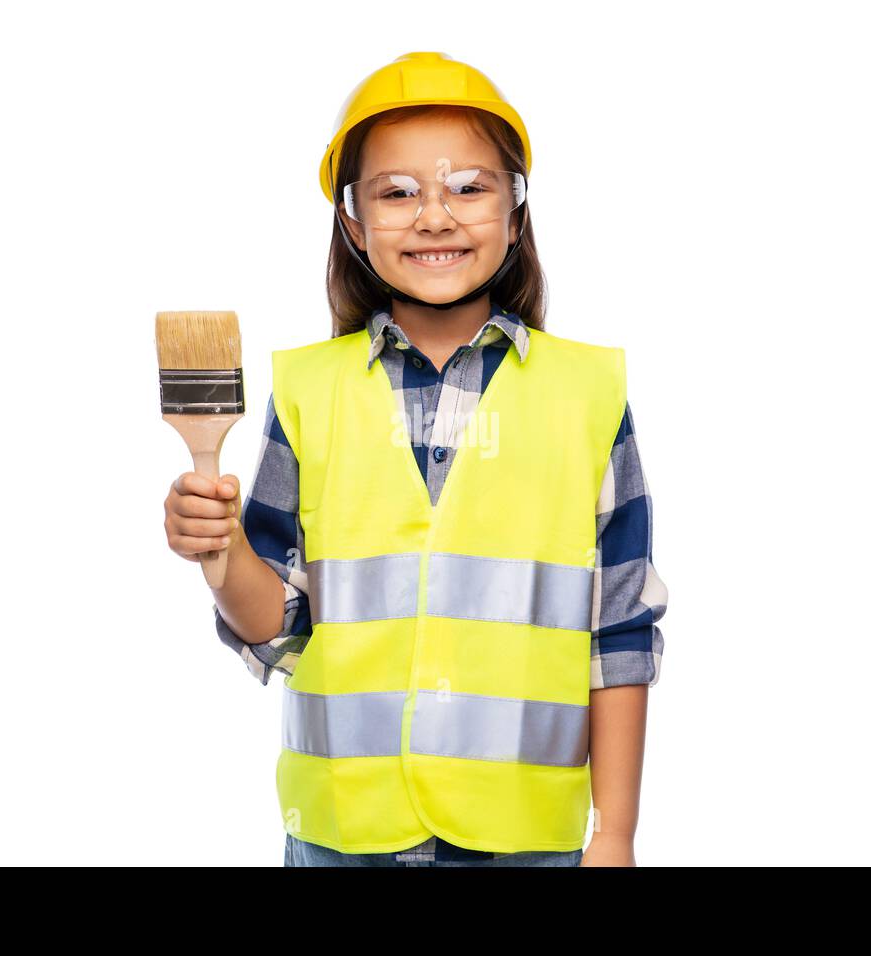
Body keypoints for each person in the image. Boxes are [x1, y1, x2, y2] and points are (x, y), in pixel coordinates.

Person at [163, 52, 668, 867]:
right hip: (340, 835)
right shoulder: (307, 391)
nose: (435, 216)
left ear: (516, 212)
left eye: (469, 187)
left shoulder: (588, 393)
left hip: (526, 840)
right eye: (397, 194)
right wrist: (218, 554)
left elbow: (619, 630)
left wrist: (614, 834)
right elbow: (278, 629)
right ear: (354, 225)